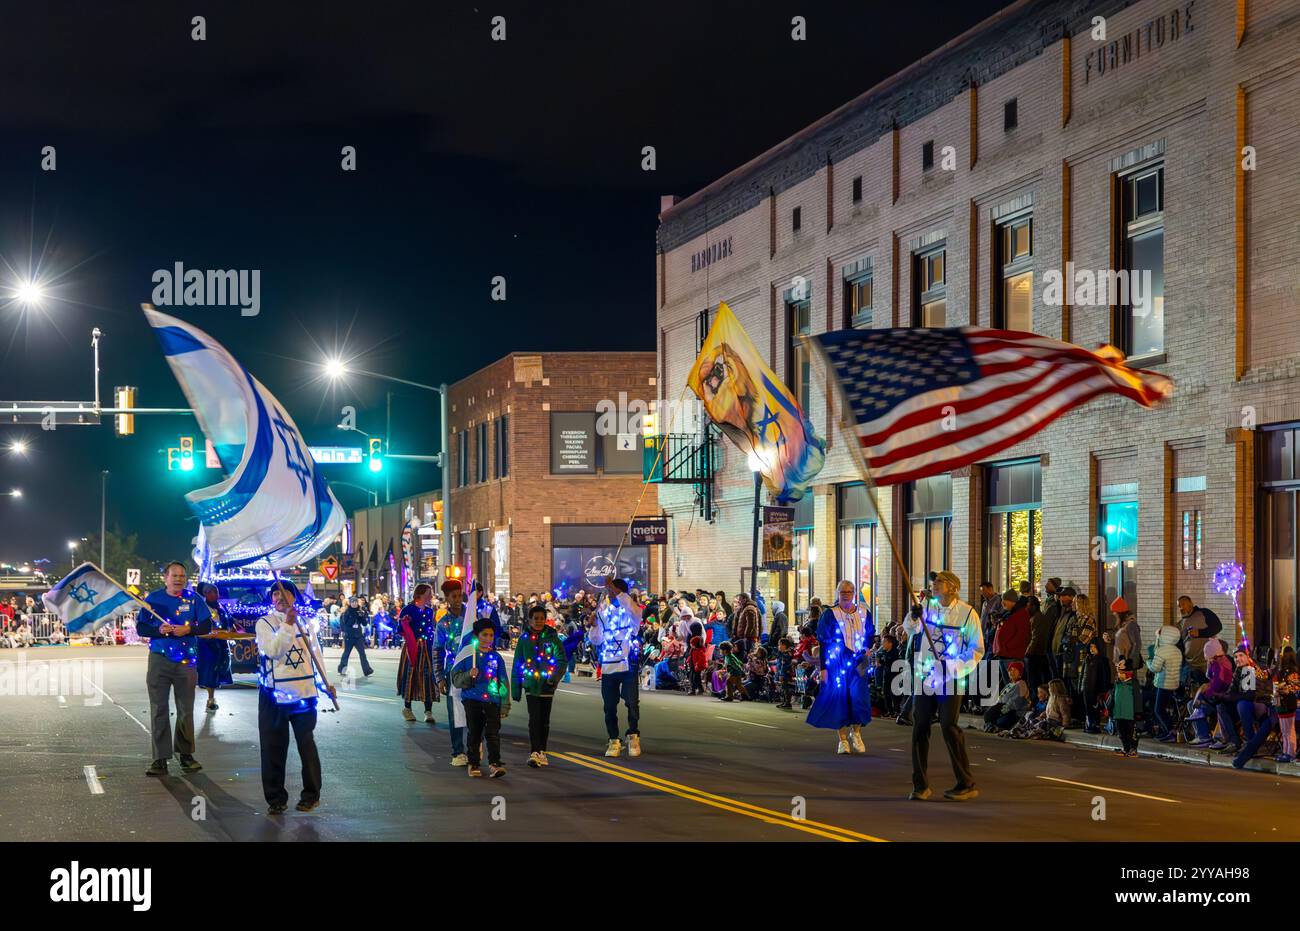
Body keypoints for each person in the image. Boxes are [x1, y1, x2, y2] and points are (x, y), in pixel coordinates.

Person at [902, 570, 982, 801]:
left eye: (939, 581)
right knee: (920, 727)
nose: (934, 585)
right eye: (933, 581)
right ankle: (920, 785)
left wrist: (953, 667)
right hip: (926, 677)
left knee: (949, 726)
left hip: (952, 677)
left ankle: (965, 783)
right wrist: (915, 616)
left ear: (953, 587)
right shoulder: (927, 608)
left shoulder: (967, 613)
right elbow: (909, 629)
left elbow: (976, 649)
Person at [255, 580, 334, 813]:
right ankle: (276, 799)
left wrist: (326, 683)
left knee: (307, 746)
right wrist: (288, 625)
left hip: (304, 695)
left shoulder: (308, 624)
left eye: (285, 593)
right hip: (274, 696)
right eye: (275, 594)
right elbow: (273, 651)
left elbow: (315, 655)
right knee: (273, 749)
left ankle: (311, 795)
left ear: (294, 598)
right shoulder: (265, 623)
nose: (279, 598)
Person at [139, 561, 213, 777]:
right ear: (166, 577)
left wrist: (188, 629)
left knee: (185, 710)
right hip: (159, 660)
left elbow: (207, 626)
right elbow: (142, 627)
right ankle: (160, 759)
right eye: (175, 575)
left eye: (182, 576)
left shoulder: (194, 599)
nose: (179, 579)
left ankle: (186, 755)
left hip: (186, 662)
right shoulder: (153, 599)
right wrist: (159, 630)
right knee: (159, 709)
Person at [806, 579, 873, 754]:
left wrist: (868, 647)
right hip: (837, 661)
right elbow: (823, 642)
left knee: (859, 697)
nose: (845, 595)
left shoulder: (865, 613)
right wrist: (823, 668)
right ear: (838, 594)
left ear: (854, 594)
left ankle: (856, 733)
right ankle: (842, 740)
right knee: (839, 699)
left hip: (859, 660)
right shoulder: (830, 615)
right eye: (842, 592)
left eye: (849, 592)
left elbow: (871, 635)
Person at [588, 577, 643, 757]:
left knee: (632, 703)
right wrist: (594, 625)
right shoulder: (604, 613)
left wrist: (617, 591)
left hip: (628, 665)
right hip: (609, 667)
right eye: (609, 592)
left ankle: (633, 735)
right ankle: (613, 739)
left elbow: (633, 611)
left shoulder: (632, 611)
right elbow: (596, 640)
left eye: (614, 592)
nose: (611, 595)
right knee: (609, 706)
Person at [451, 618, 511, 778]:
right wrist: (468, 675)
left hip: (492, 701)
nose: (488, 639)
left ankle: (495, 764)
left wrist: (504, 704)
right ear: (477, 636)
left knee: (493, 734)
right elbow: (456, 679)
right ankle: (474, 763)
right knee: (475, 733)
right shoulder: (467, 655)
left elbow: (503, 681)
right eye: (484, 635)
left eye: (491, 635)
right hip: (473, 700)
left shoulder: (497, 658)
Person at [512, 603, 565, 767]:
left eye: (542, 618)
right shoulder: (523, 640)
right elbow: (517, 663)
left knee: (544, 720)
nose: (539, 621)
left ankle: (542, 751)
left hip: (547, 686)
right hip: (531, 685)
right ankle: (535, 751)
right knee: (534, 718)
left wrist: (554, 678)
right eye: (536, 618)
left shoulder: (553, 638)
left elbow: (562, 660)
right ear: (529, 620)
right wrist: (516, 689)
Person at [433, 577, 472, 767]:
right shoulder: (442, 624)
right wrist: (439, 678)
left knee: (476, 712)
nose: (458, 599)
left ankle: (474, 749)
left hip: (474, 671)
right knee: (455, 713)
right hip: (452, 673)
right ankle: (458, 751)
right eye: (454, 596)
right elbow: (437, 651)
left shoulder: (472, 618)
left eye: (460, 595)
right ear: (447, 599)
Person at [397, 583, 440, 723]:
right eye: (428, 594)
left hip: (426, 647)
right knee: (411, 676)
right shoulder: (408, 609)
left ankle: (428, 711)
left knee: (428, 677)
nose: (430, 596)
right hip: (412, 648)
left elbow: (430, 628)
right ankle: (407, 708)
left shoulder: (429, 611)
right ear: (420, 594)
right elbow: (400, 629)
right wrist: (405, 624)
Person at [195, 582, 233, 713]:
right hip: (207, 645)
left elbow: (228, 622)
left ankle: (211, 698)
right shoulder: (202, 609)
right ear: (205, 594)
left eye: (216, 592)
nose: (216, 595)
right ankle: (211, 699)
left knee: (220, 669)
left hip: (221, 643)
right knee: (209, 671)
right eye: (212, 592)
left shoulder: (221, 607)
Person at [1147, 624, 1183, 741]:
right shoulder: (1177, 651)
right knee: (1162, 708)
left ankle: (1169, 732)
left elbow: (1154, 668)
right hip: (1174, 683)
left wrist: (1148, 661)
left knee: (1159, 709)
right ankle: (1165, 731)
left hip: (1163, 684)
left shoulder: (1162, 651)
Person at [1107, 657, 1142, 757]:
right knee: (1121, 732)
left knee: (1131, 733)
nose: (1118, 674)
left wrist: (1138, 713)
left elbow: (1138, 699)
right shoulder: (1117, 684)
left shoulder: (1133, 684)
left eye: (1121, 672)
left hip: (1130, 714)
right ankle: (1126, 748)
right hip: (1118, 713)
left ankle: (1133, 749)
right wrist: (1110, 709)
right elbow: (1113, 697)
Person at [984, 661, 1030, 733]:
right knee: (988, 715)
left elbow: (1016, 702)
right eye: (1010, 670)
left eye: (1015, 670)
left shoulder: (1021, 684)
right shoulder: (1009, 685)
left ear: (1020, 673)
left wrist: (1003, 710)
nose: (1012, 672)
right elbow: (1001, 698)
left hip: (1014, 712)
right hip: (1003, 709)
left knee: (1000, 722)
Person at [337, 596, 374, 678]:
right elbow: (346, 624)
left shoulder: (360, 611)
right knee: (346, 653)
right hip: (349, 636)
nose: (354, 604)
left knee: (362, 654)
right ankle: (341, 669)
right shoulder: (346, 612)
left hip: (358, 636)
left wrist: (362, 616)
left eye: (355, 602)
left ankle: (367, 670)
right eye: (353, 602)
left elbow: (364, 623)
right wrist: (355, 616)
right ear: (350, 603)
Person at [732, 593, 760, 660]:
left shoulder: (749, 609)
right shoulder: (743, 608)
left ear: (745, 599)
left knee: (748, 655)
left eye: (740, 599)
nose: (738, 601)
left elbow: (751, 625)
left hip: (748, 638)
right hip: (744, 638)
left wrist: (746, 636)